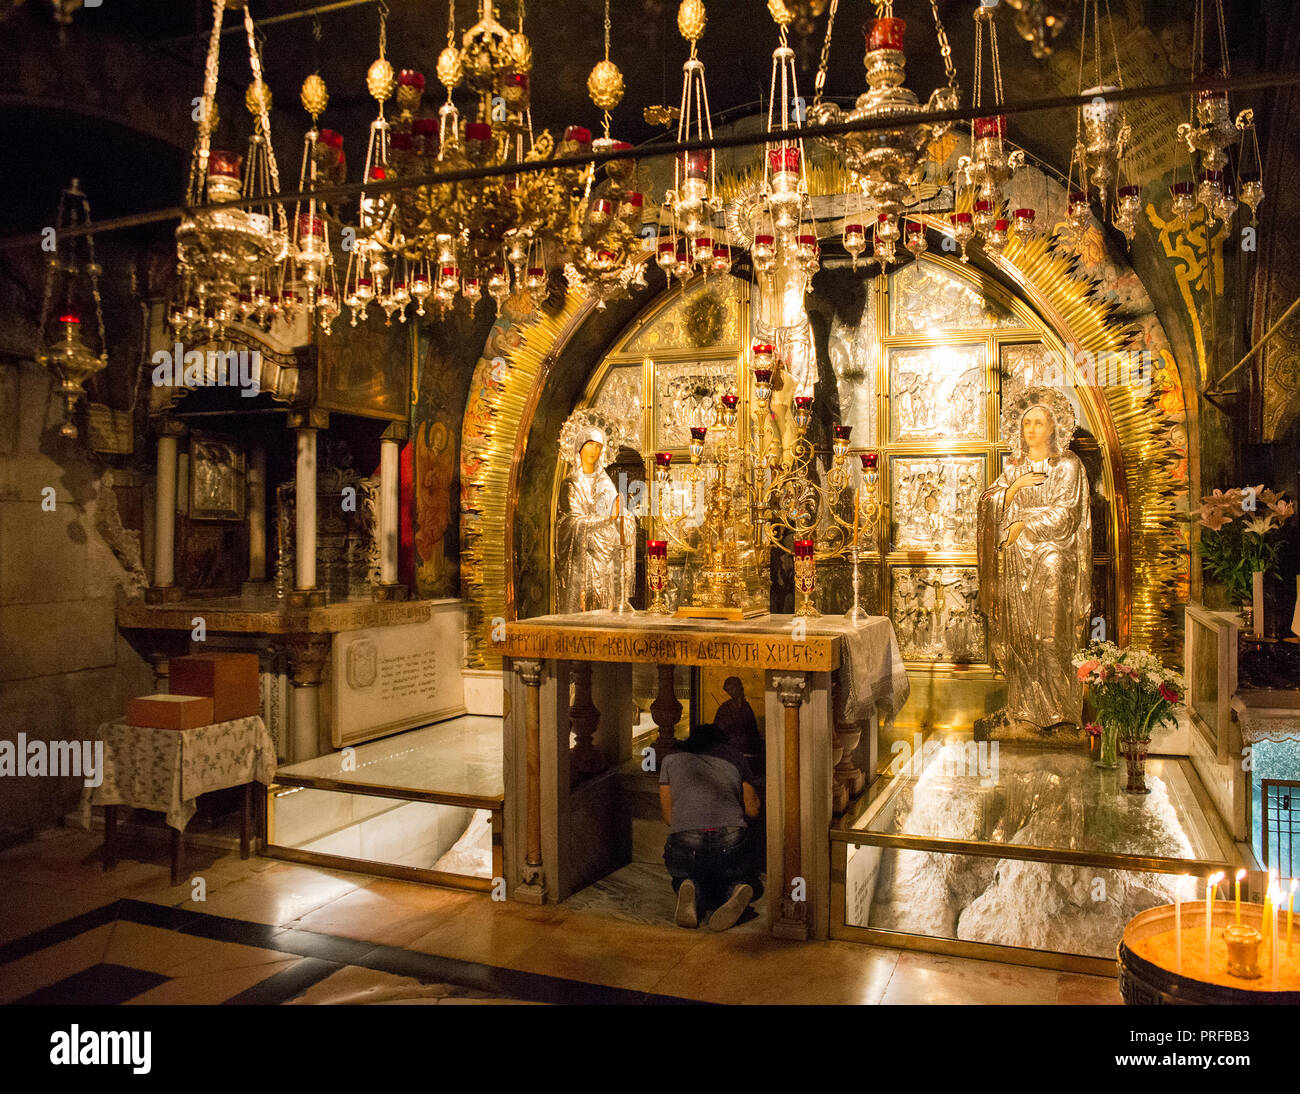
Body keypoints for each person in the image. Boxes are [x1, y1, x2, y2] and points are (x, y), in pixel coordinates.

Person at [659, 722, 761, 930]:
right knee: (732, 873)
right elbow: (752, 809)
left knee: (685, 872)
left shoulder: (669, 760)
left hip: (686, 843)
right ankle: (736, 888)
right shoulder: (734, 756)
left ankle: (688, 886)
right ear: (721, 742)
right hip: (729, 839)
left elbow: (669, 817)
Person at [712, 676, 762, 760]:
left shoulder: (746, 707)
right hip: (730, 751)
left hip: (747, 751)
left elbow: (752, 730)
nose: (731, 692)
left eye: (732, 688)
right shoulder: (724, 708)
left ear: (739, 687)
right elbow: (717, 730)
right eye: (728, 690)